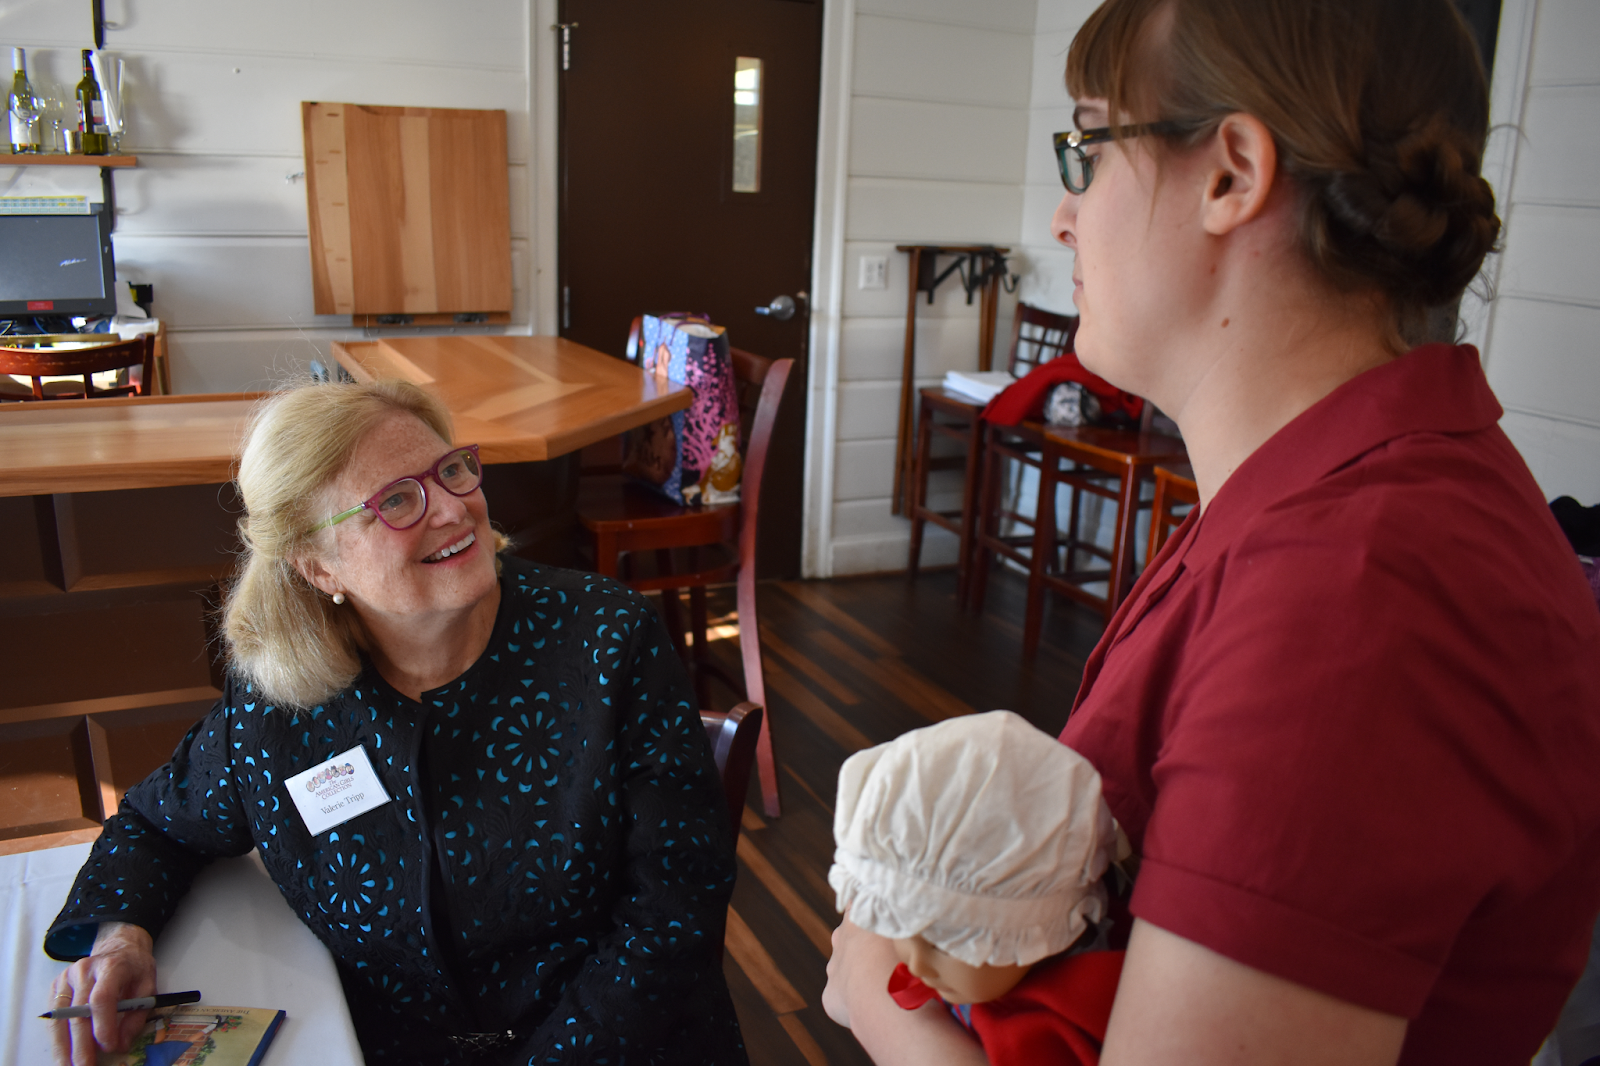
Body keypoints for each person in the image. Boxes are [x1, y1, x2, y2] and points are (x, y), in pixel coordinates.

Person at [822, 1, 1600, 1064]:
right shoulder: (1308, 504)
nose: (1063, 216)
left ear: (1232, 172)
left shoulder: (1363, 589)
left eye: (1086, 148)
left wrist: (878, 991)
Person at [44, 379, 747, 1066]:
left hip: (617, 1043)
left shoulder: (604, 640)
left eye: (452, 471)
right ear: (318, 567)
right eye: (397, 501)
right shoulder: (277, 705)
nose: (452, 509)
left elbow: (674, 909)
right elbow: (157, 823)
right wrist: (120, 938)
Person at [827, 712, 1125, 1064]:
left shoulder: (1041, 1035)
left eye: (948, 944)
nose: (917, 964)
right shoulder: (989, 977)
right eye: (901, 926)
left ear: (1040, 932)